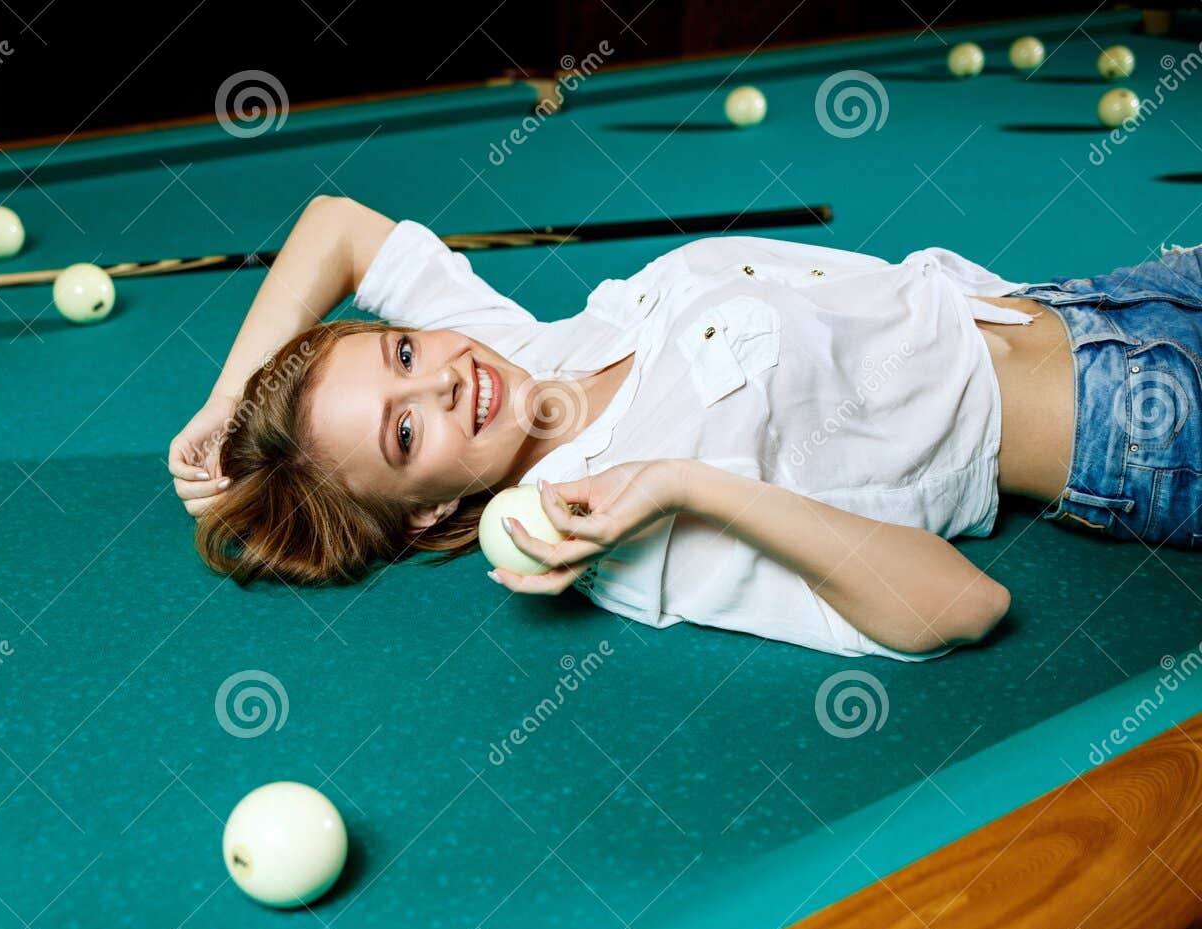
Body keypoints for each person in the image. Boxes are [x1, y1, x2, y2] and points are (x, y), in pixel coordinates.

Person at [169, 195, 1201, 659]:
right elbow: (961, 605)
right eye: (403, 437)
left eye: (400, 353)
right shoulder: (626, 530)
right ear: (434, 504)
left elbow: (334, 227)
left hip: (1116, 296)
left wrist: (226, 407)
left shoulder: (520, 349)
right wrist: (687, 486)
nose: (439, 382)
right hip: (1142, 427)